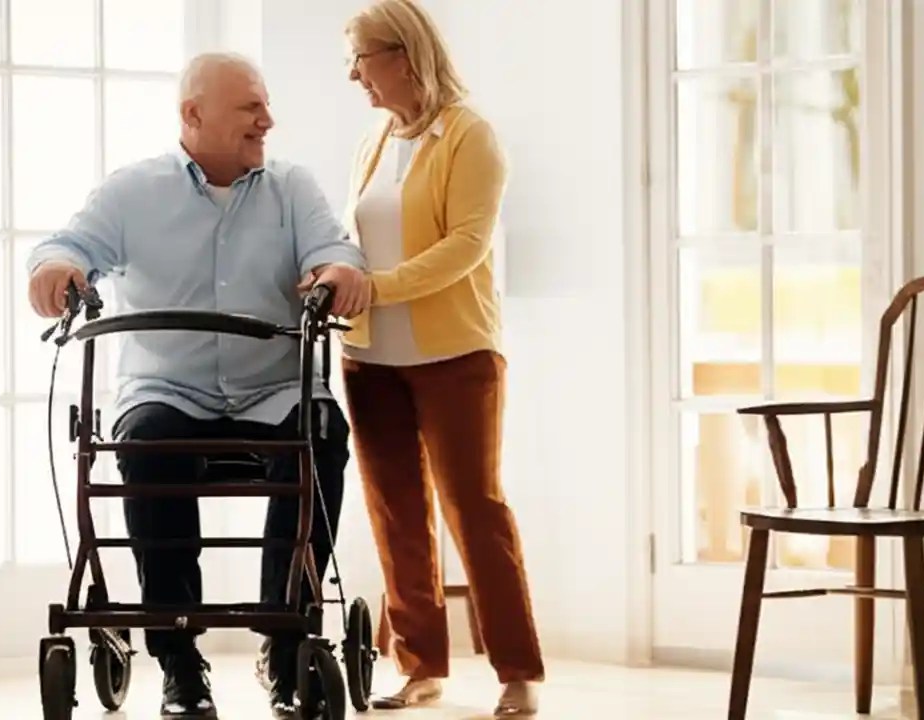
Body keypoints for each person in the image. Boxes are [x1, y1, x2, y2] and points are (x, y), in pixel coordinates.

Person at [27, 52, 369, 719]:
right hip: (168, 388)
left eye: (265, 105)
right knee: (147, 443)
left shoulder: (292, 187)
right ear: (193, 114)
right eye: (251, 107)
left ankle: (284, 636)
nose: (267, 120)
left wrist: (338, 272)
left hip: (273, 388)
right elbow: (65, 246)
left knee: (323, 432)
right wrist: (57, 268)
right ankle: (179, 659)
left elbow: (334, 250)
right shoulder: (134, 191)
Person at [338, 0, 543, 715]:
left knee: (475, 511)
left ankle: (518, 672)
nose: (354, 75)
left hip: (456, 354)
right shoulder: (374, 140)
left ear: (403, 55)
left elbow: (466, 246)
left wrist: (378, 287)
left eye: (360, 59)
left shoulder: (469, 135)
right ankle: (419, 666)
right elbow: (358, 238)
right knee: (395, 515)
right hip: (370, 357)